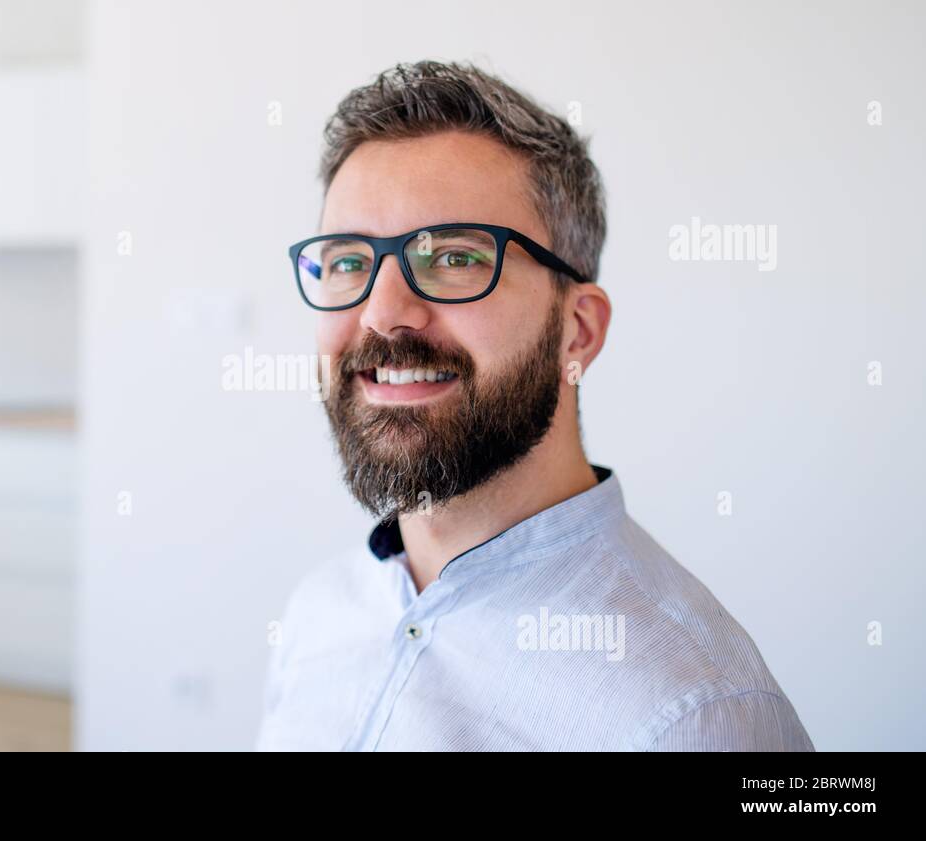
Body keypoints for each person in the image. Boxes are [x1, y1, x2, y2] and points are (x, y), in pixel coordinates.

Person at [256, 61, 812, 751]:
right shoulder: (318, 612)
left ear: (577, 330)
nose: (383, 315)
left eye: (454, 258)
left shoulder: (690, 713)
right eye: (346, 262)